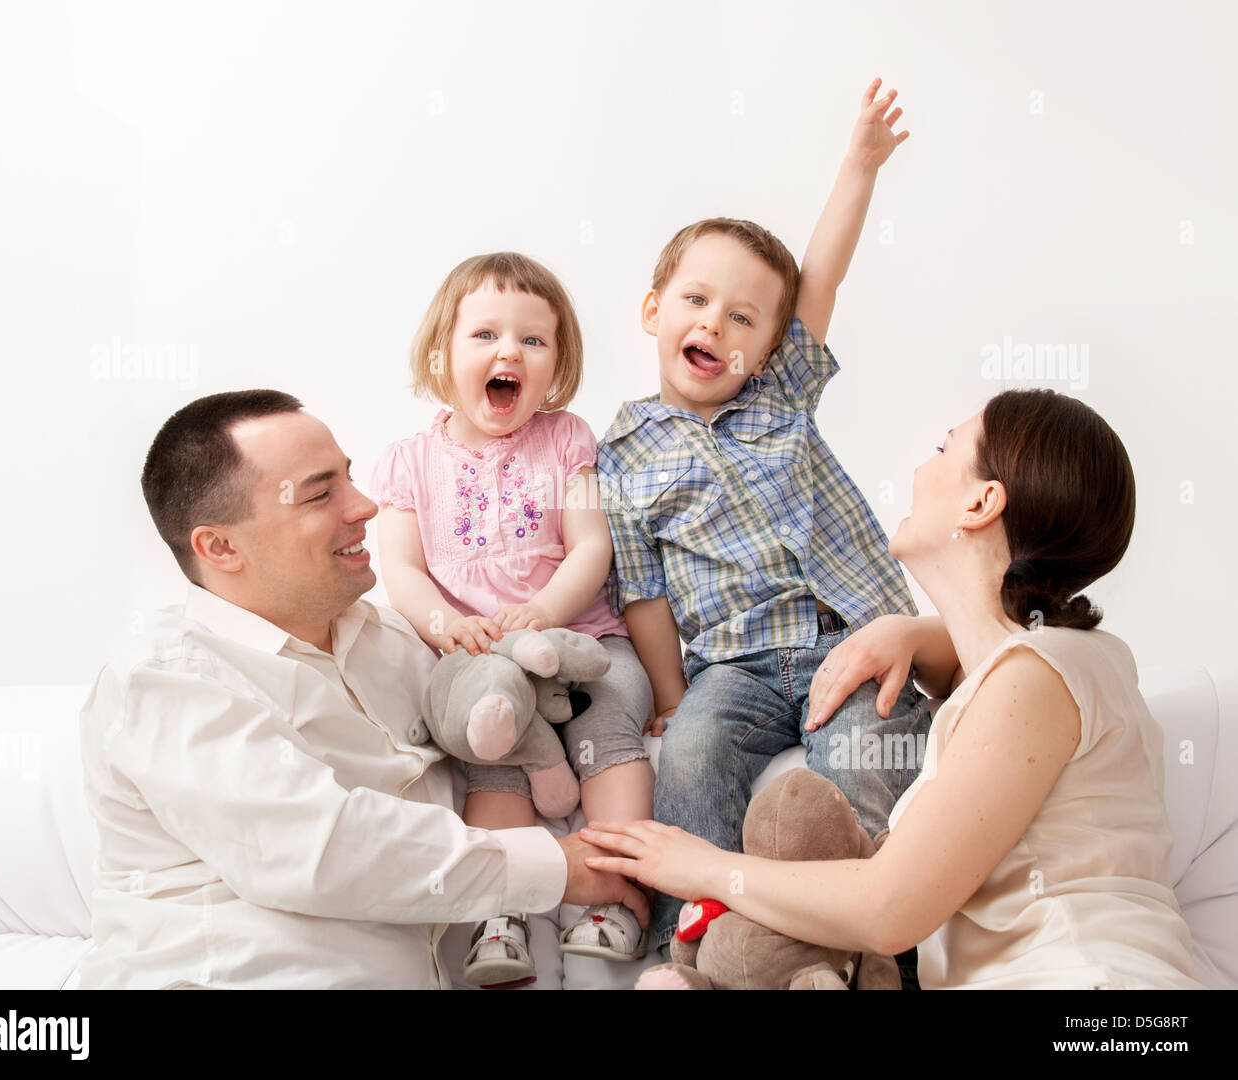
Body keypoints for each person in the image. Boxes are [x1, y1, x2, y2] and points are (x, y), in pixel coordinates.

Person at [582, 388, 1208, 990]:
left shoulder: (1036, 679)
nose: (918, 467)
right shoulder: (1063, 664)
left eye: (943, 450)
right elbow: (983, 660)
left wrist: (702, 868)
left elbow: (889, 908)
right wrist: (901, 630)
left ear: (981, 503)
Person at [76, 389, 648, 990]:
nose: (367, 507)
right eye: (321, 494)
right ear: (221, 547)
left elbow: (518, 723)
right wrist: (558, 866)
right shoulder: (165, 681)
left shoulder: (399, 645)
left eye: (349, 479)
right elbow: (320, 850)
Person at [594, 77, 929, 955]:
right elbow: (643, 593)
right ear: (654, 310)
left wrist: (858, 165)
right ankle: (687, 944)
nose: (716, 325)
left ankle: (856, 943)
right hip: (729, 669)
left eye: (744, 318)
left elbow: (821, 276)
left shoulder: (780, 394)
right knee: (697, 757)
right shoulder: (622, 452)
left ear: (770, 346)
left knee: (867, 754)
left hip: (845, 641)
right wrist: (671, 696)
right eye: (697, 301)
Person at [369, 253, 654, 986]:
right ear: (442, 353)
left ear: (557, 363)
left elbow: (591, 546)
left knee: (607, 723)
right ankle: (503, 912)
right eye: (485, 335)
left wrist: (544, 612)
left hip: (581, 640)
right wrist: (443, 624)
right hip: (482, 657)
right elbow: (399, 567)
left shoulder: (565, 440)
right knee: (486, 748)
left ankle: (622, 893)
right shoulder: (409, 461)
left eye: (533, 341)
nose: (509, 352)